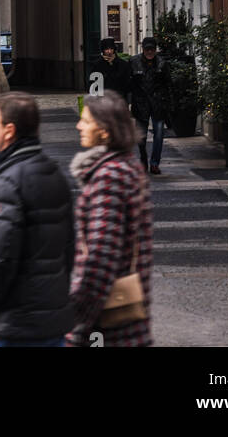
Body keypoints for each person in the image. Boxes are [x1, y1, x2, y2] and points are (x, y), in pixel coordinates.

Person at [0, 91, 75, 347]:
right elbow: (70, 248)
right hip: (52, 320)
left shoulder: (9, 181)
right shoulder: (54, 173)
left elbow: (0, 256)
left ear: (9, 130)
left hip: (13, 322)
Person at [66, 90, 153, 347]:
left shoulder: (109, 176)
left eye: (86, 121)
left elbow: (101, 259)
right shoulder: (127, 167)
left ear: (104, 131)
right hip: (123, 322)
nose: (78, 125)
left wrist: (70, 319)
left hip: (108, 326)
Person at [129, 36, 172, 174]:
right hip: (140, 103)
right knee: (141, 135)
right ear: (143, 49)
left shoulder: (162, 63)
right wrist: (130, 101)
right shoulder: (133, 62)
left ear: (155, 49)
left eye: (152, 49)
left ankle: (154, 163)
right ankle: (143, 158)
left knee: (159, 134)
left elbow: (168, 84)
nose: (149, 52)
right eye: (147, 49)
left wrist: (167, 102)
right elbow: (129, 84)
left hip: (157, 103)